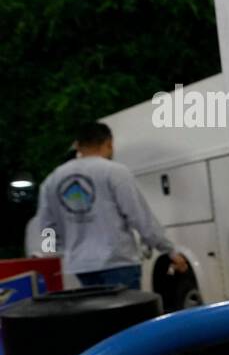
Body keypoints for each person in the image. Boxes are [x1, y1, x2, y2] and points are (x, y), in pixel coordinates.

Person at [34, 121, 188, 290]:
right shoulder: (115, 172)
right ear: (109, 143)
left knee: (97, 316)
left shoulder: (52, 180)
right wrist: (169, 250)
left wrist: (51, 255)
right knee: (126, 316)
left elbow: (47, 227)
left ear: (78, 145)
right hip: (118, 263)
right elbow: (140, 218)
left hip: (80, 268)